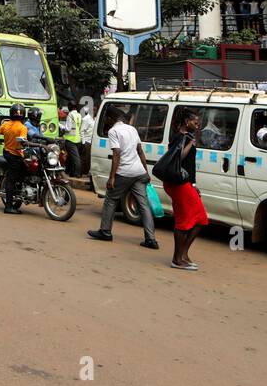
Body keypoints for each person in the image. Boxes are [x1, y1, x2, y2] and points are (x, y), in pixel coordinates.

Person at [86, 107, 158, 249]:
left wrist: (112, 177)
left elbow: (117, 154)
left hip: (124, 172)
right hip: (139, 172)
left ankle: (105, 231)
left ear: (111, 119)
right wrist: (146, 172)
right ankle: (151, 239)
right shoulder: (132, 129)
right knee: (143, 205)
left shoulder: (114, 131)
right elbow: (140, 152)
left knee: (111, 200)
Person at [163, 107, 208, 270]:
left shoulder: (186, 136)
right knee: (188, 219)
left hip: (184, 182)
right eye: (195, 122)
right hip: (177, 183)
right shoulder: (179, 137)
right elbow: (178, 157)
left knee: (199, 219)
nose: (197, 125)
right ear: (187, 122)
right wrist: (190, 143)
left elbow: (190, 165)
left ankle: (183, 254)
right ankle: (177, 258)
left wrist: (194, 185)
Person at [0, 105, 29, 213]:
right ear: (23, 115)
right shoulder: (22, 128)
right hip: (15, 156)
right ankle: (8, 206)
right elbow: (23, 142)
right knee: (11, 179)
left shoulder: (5, 125)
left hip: (7, 153)